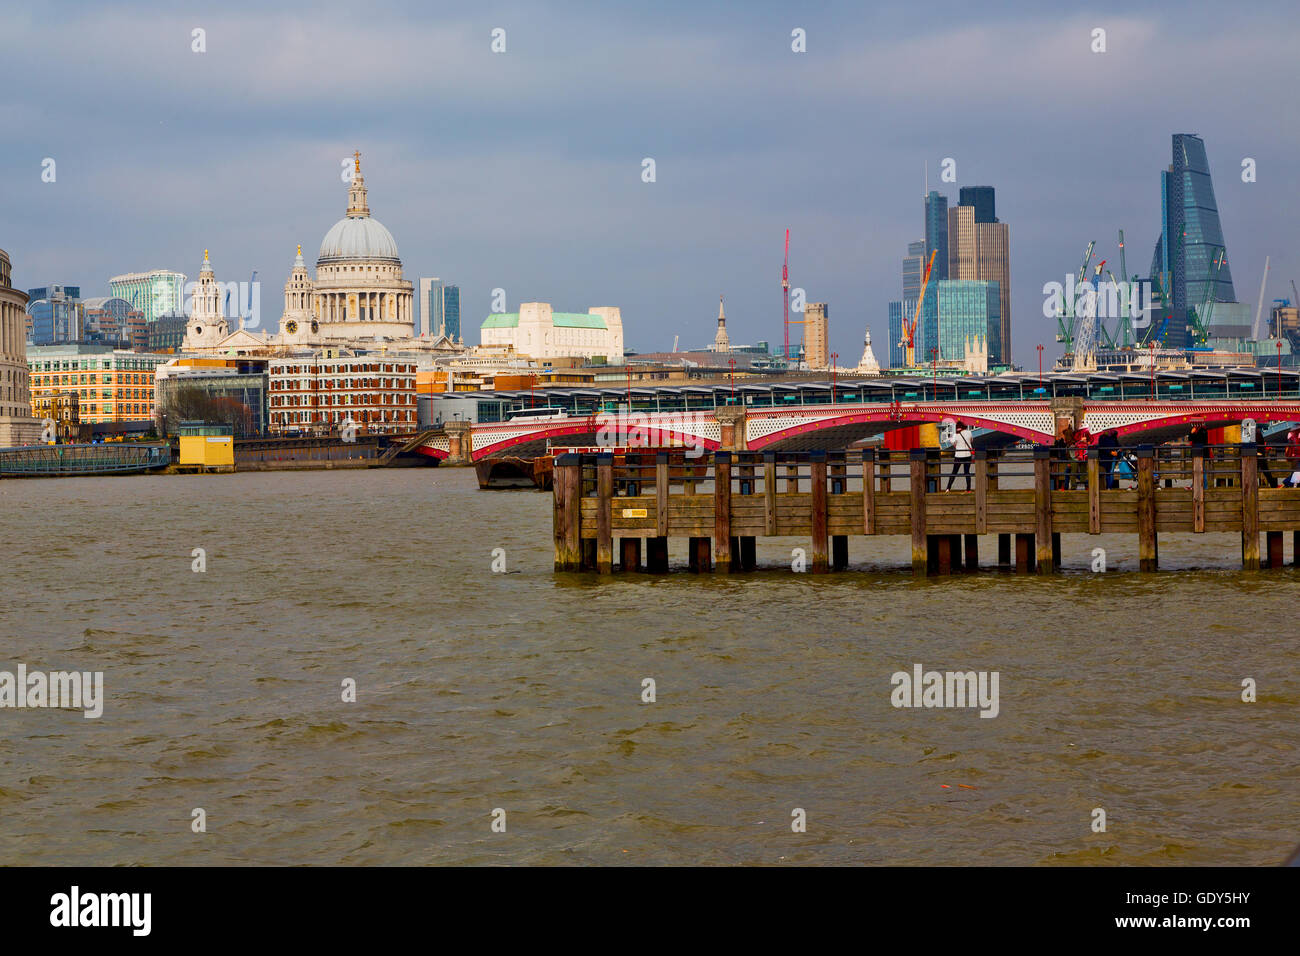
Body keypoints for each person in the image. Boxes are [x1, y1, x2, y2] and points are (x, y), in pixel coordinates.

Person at [946, 420, 974, 491]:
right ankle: (968, 489)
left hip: (959, 456)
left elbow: (952, 442)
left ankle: (948, 488)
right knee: (967, 472)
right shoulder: (969, 432)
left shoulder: (956, 435)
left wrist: (952, 438)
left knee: (954, 472)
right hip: (968, 455)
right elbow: (971, 441)